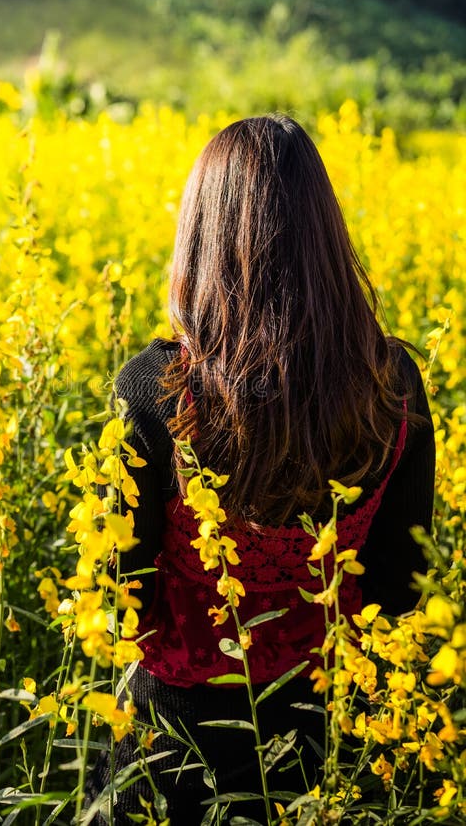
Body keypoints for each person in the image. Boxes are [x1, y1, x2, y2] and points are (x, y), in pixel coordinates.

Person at [85, 115, 435, 824]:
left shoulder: (154, 389)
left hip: (170, 742)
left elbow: (116, 594)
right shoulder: (392, 382)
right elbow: (400, 585)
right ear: (325, 238)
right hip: (321, 731)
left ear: (202, 237)